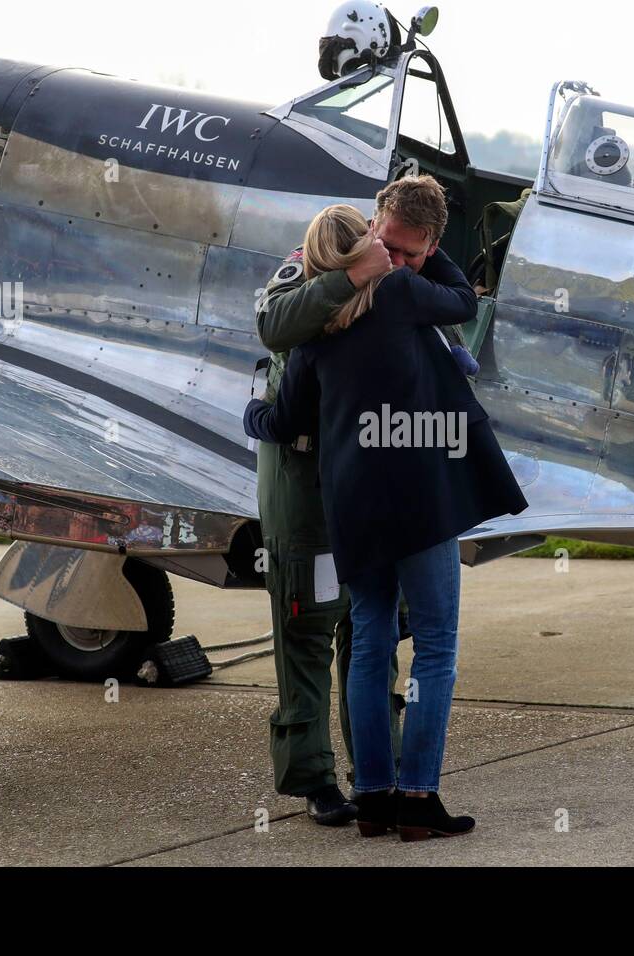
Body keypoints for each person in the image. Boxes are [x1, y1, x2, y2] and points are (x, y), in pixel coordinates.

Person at [244, 188, 528, 841]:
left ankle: (372, 795)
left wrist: (251, 414)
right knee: (434, 646)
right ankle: (418, 797)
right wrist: (417, 262)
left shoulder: (322, 322)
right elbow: (464, 298)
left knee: (371, 639)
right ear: (368, 234)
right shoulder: (400, 293)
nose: (394, 258)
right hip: (419, 498)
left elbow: (282, 414)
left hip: (350, 498)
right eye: (388, 245)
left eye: (407, 249)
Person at [252, 202, 401, 825]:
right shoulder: (302, 300)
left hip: (353, 497)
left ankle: (373, 774)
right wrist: (353, 277)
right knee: (312, 632)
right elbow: (274, 324)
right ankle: (320, 777)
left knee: (367, 637)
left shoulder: (384, 301)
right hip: (306, 500)